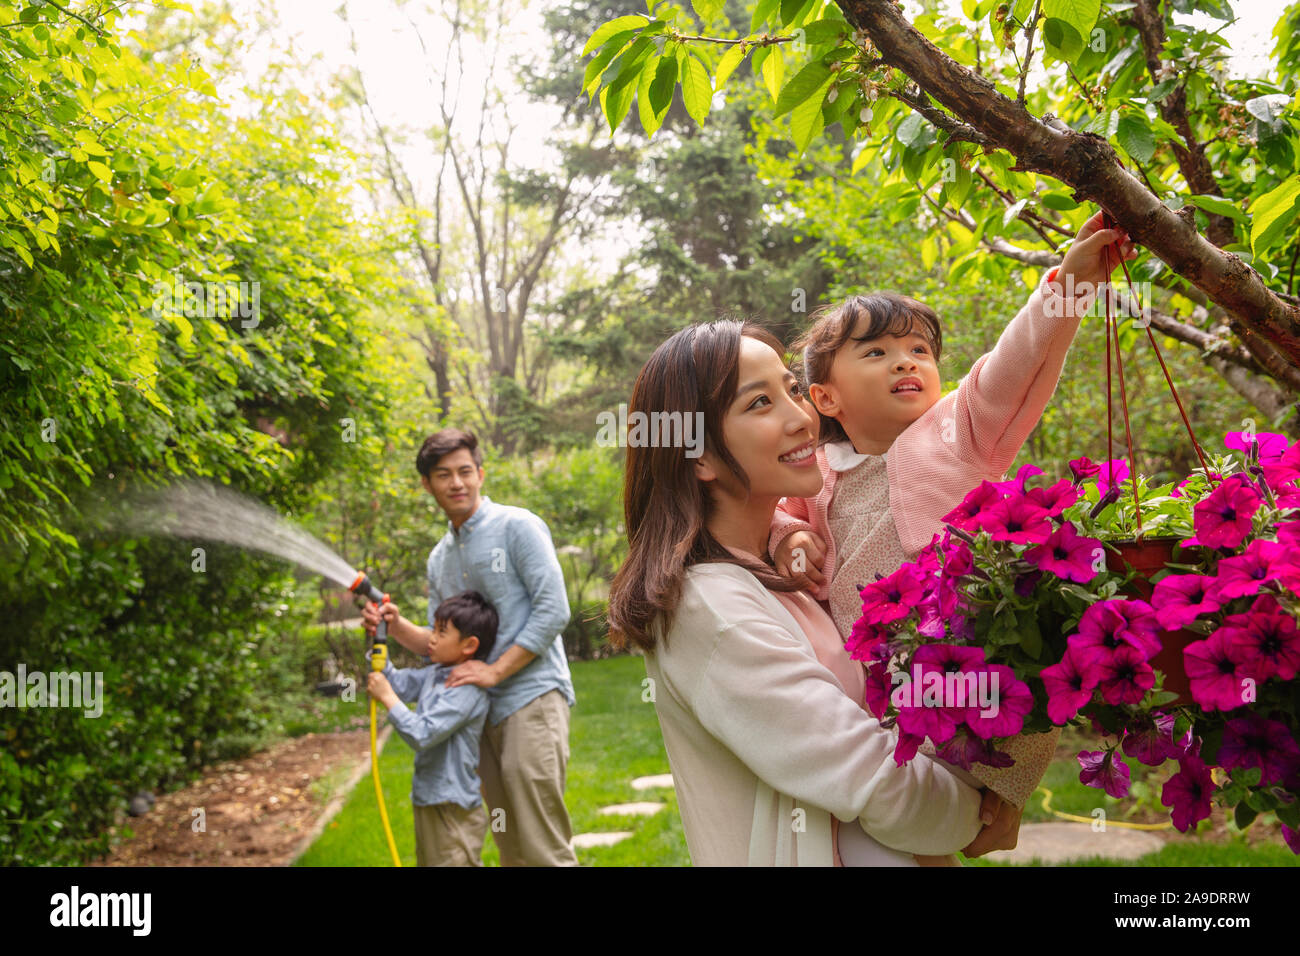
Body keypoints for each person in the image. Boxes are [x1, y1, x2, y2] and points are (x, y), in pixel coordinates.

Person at [605, 319, 1020, 866]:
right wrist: (977, 810)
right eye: (759, 403)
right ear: (699, 456)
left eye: (793, 390)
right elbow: (871, 778)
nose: (803, 417)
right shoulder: (711, 608)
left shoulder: (784, 577)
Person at [769, 210, 1138, 808]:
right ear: (825, 396)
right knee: (894, 818)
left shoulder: (962, 431)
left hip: (975, 666)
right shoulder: (816, 473)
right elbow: (769, 516)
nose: (906, 361)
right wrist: (791, 536)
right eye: (877, 351)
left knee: (968, 796)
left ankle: (1000, 803)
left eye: (919, 349)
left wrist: (1070, 282)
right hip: (870, 691)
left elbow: (1016, 364)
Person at [364, 428, 578, 866]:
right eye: (444, 475)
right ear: (427, 484)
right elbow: (440, 645)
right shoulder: (440, 558)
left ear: (480, 474)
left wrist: (496, 670)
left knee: (541, 843)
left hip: (530, 698)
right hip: (476, 711)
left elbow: (554, 609)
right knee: (509, 844)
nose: (456, 483)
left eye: (465, 471)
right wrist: (395, 624)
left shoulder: (517, 526)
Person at [366, 590, 498, 867]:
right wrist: (377, 638)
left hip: (451, 805)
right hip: (429, 797)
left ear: (468, 645)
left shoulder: (466, 690)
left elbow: (422, 733)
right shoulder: (436, 674)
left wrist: (387, 698)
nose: (432, 638)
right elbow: (396, 683)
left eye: (441, 631)